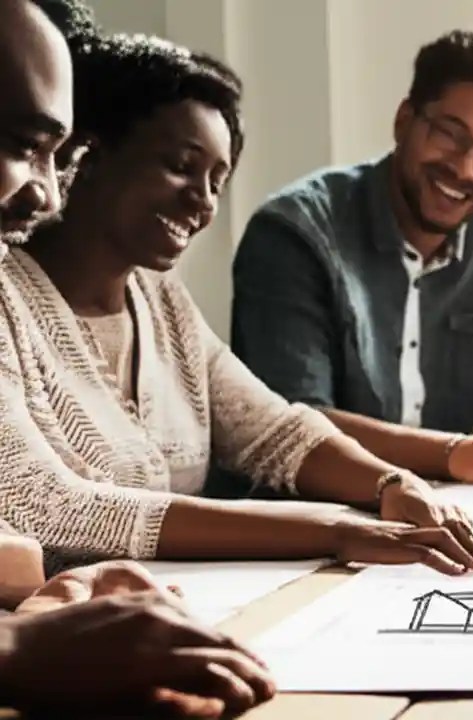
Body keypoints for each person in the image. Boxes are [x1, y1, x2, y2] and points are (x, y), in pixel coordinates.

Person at [2, 30, 473, 577]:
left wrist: (393, 484)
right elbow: (45, 507)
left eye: (218, 180)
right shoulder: (8, 298)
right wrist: (337, 531)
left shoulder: (161, 300)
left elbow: (273, 431)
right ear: (88, 155)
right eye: (182, 166)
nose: (204, 201)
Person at [0, 2, 273, 715]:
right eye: (19, 145)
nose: (42, 192)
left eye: (55, 156)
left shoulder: (164, 301)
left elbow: (12, 554)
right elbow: (39, 521)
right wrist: (19, 652)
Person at [231, 30, 473, 488]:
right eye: (451, 134)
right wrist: (457, 454)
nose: (466, 168)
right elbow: (294, 427)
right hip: (304, 523)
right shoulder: (294, 233)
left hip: (442, 516)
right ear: (404, 120)